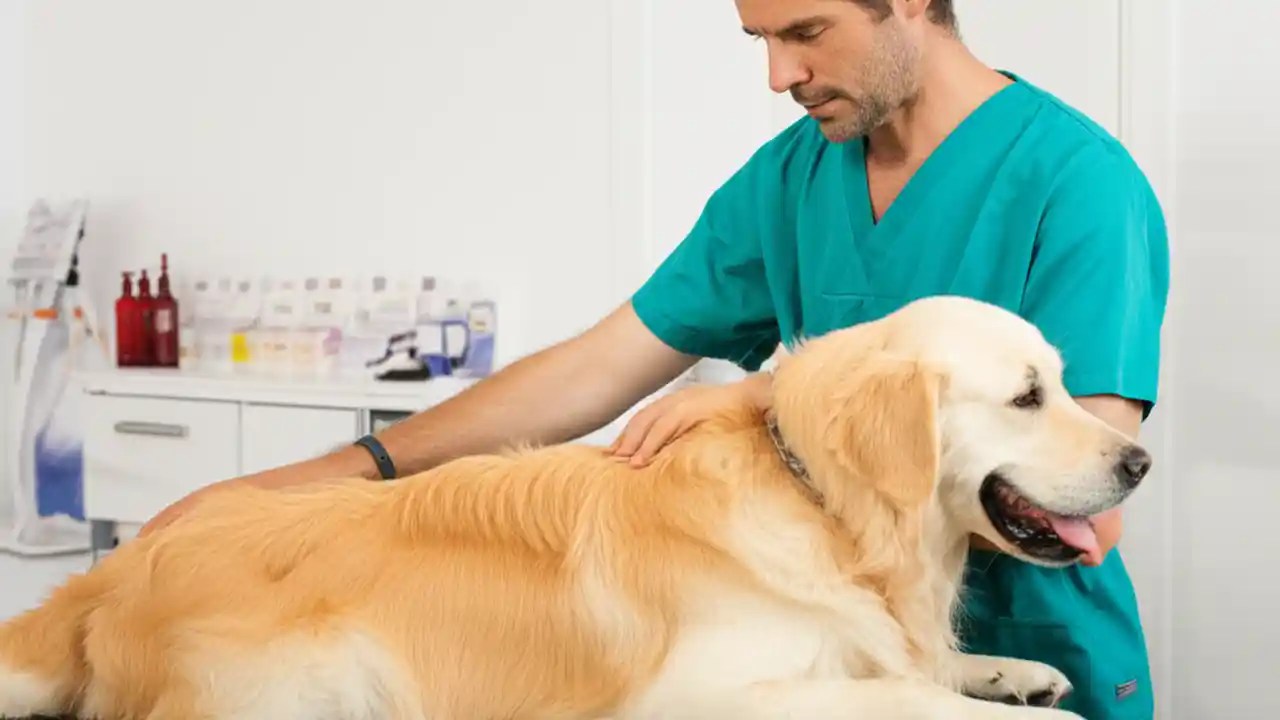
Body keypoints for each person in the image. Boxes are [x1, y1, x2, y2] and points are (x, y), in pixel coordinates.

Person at [140, 0, 1168, 717]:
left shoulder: (1077, 184)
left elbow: (1091, 469)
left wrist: (778, 397)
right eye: (758, 38)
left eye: (806, 32)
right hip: (821, 662)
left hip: (1021, 646)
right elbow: (596, 368)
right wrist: (345, 471)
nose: (779, 75)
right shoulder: (793, 178)